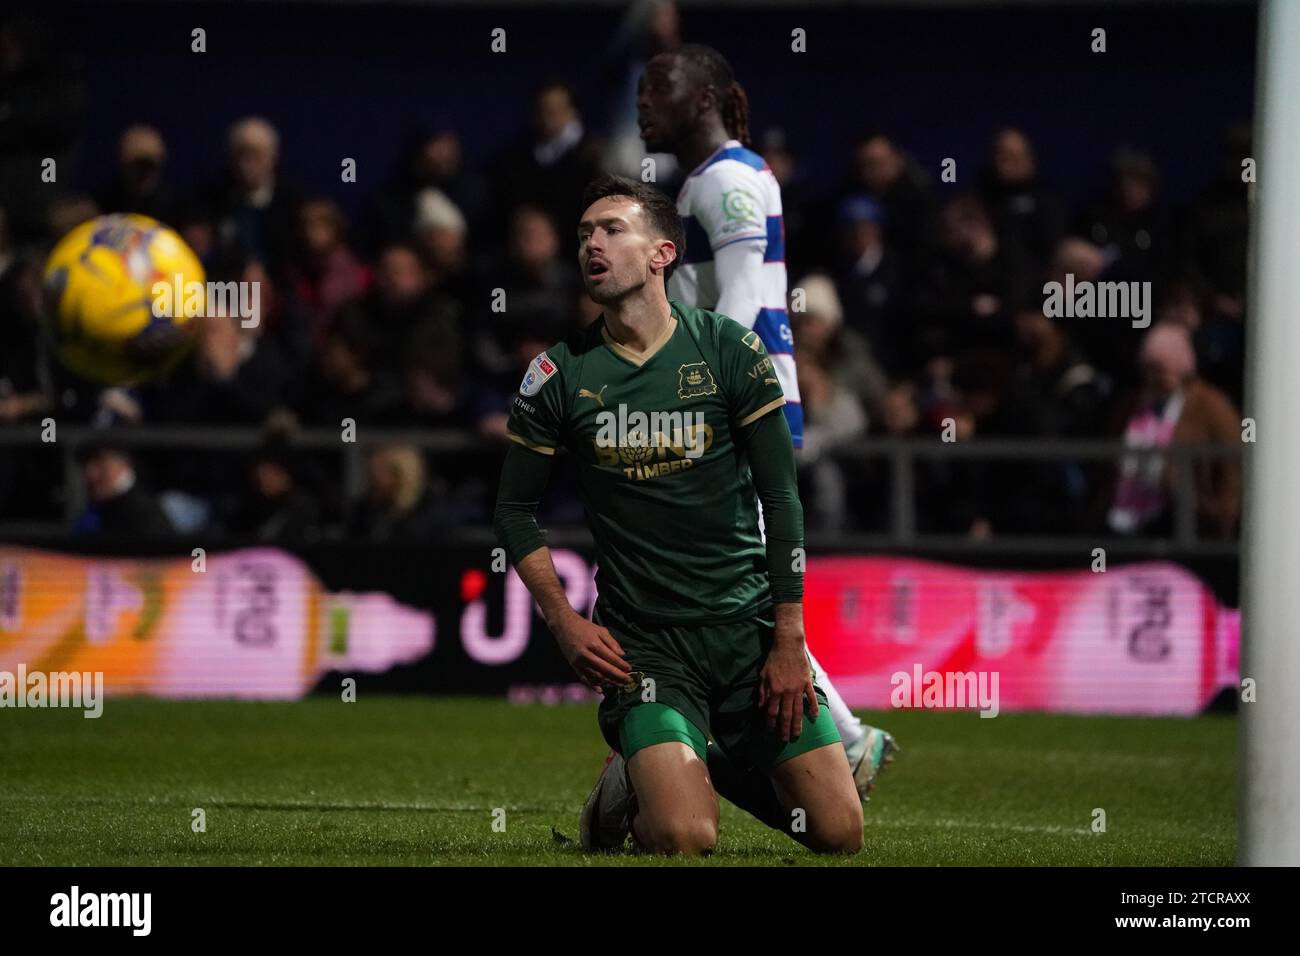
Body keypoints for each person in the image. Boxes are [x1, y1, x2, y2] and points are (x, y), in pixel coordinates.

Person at [493, 175, 863, 855]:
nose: (591, 245)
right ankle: (648, 780)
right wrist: (565, 620)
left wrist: (789, 639)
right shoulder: (558, 373)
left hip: (748, 633)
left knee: (839, 833)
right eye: (583, 235)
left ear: (663, 253)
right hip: (648, 647)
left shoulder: (730, 351)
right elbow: (514, 512)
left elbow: (781, 500)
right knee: (684, 837)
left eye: (611, 230)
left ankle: (653, 772)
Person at [636, 43, 897, 800]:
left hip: (738, 408)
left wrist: (703, 404)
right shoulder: (718, 179)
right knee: (732, 583)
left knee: (738, 587)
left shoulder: (728, 181)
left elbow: (745, 306)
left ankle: (845, 741)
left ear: (707, 96)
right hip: (742, 403)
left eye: (659, 87)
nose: (642, 102)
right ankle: (842, 739)